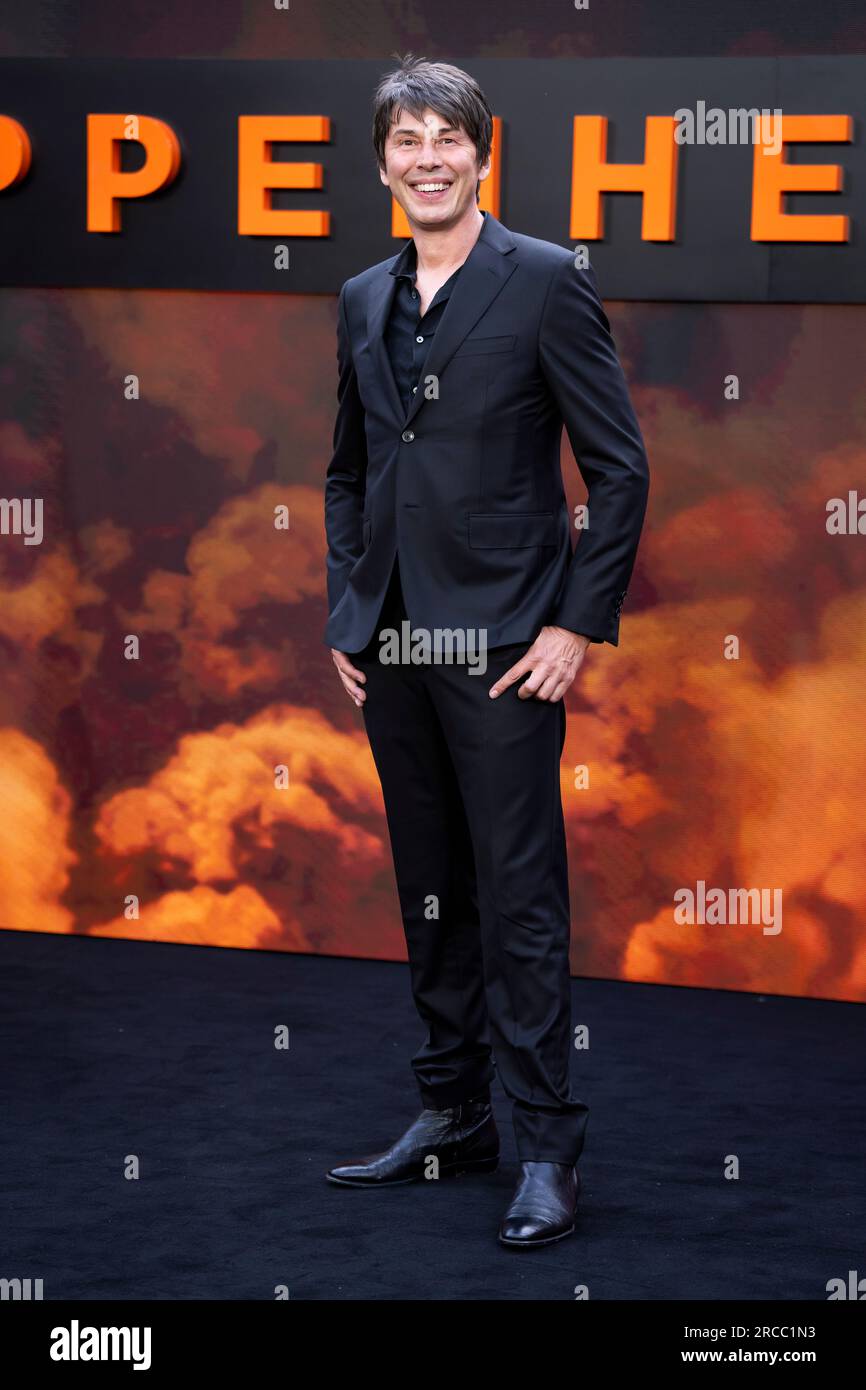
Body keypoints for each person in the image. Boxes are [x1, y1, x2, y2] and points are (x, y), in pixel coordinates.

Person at [322, 54, 650, 1248]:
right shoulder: (362, 295)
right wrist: (346, 612)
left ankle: (546, 1149)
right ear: (381, 163)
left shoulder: (549, 280)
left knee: (516, 900)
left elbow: (618, 473)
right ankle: (450, 1114)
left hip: (505, 643)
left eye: (443, 138)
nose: (424, 157)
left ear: (480, 150)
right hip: (393, 644)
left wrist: (571, 624)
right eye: (403, 139)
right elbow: (346, 471)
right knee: (429, 890)